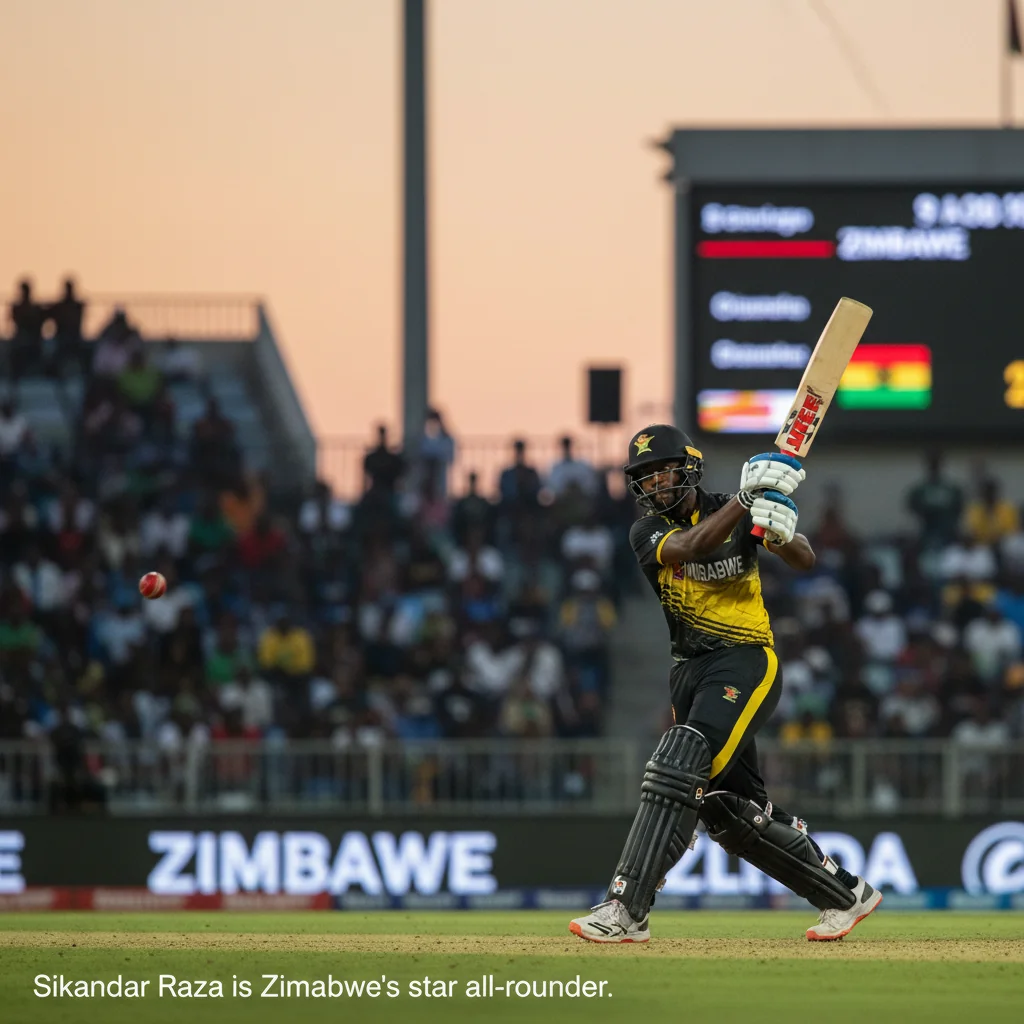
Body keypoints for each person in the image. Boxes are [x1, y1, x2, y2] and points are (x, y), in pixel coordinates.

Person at [569, 424, 881, 945]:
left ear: (689, 468)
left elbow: (805, 558)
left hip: (745, 660)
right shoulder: (646, 531)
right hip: (688, 672)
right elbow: (693, 545)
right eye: (646, 476)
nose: (656, 483)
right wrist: (746, 499)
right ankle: (844, 893)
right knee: (726, 809)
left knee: (681, 758)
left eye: (664, 471)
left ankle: (627, 907)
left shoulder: (734, 510)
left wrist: (781, 534)